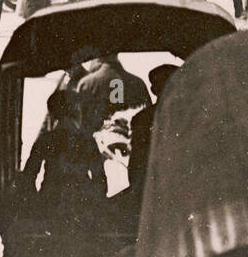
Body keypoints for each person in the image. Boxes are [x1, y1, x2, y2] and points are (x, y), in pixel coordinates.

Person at [19, 89, 107, 214]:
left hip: (50, 205)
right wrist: (94, 207)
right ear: (76, 112)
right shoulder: (87, 141)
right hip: (82, 207)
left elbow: (28, 177)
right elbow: (100, 180)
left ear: (53, 114)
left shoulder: (45, 140)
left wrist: (37, 203)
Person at [127, 63, 177, 197]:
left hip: (154, 188)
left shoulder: (142, 118)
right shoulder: (191, 113)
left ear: (153, 89)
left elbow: (137, 163)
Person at [74, 50, 151, 135]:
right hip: (132, 143)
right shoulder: (138, 83)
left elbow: (81, 126)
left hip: (97, 145)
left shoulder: (86, 84)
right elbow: (149, 119)